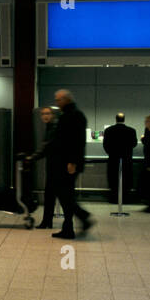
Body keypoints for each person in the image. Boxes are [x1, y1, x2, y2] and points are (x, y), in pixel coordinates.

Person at [49, 90, 92, 239]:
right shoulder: (67, 115)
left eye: (58, 100)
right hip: (64, 162)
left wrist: (72, 161)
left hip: (68, 163)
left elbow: (77, 140)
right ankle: (69, 228)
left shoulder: (75, 115)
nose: (56, 103)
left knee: (65, 194)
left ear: (66, 100)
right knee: (66, 195)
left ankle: (83, 216)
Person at [25, 106, 60, 230]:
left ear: (53, 115)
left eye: (48, 113)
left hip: (56, 166)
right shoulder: (51, 126)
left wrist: (32, 157)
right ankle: (47, 221)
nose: (45, 116)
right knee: (50, 195)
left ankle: (82, 217)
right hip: (53, 165)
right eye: (43, 114)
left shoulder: (54, 127)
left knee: (54, 195)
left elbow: (46, 147)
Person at [102, 112, 137, 205]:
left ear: (116, 119)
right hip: (127, 159)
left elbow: (105, 145)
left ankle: (114, 198)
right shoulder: (131, 131)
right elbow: (134, 144)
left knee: (113, 178)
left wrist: (111, 152)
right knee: (126, 178)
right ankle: (125, 198)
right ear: (124, 119)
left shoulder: (109, 130)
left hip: (113, 158)